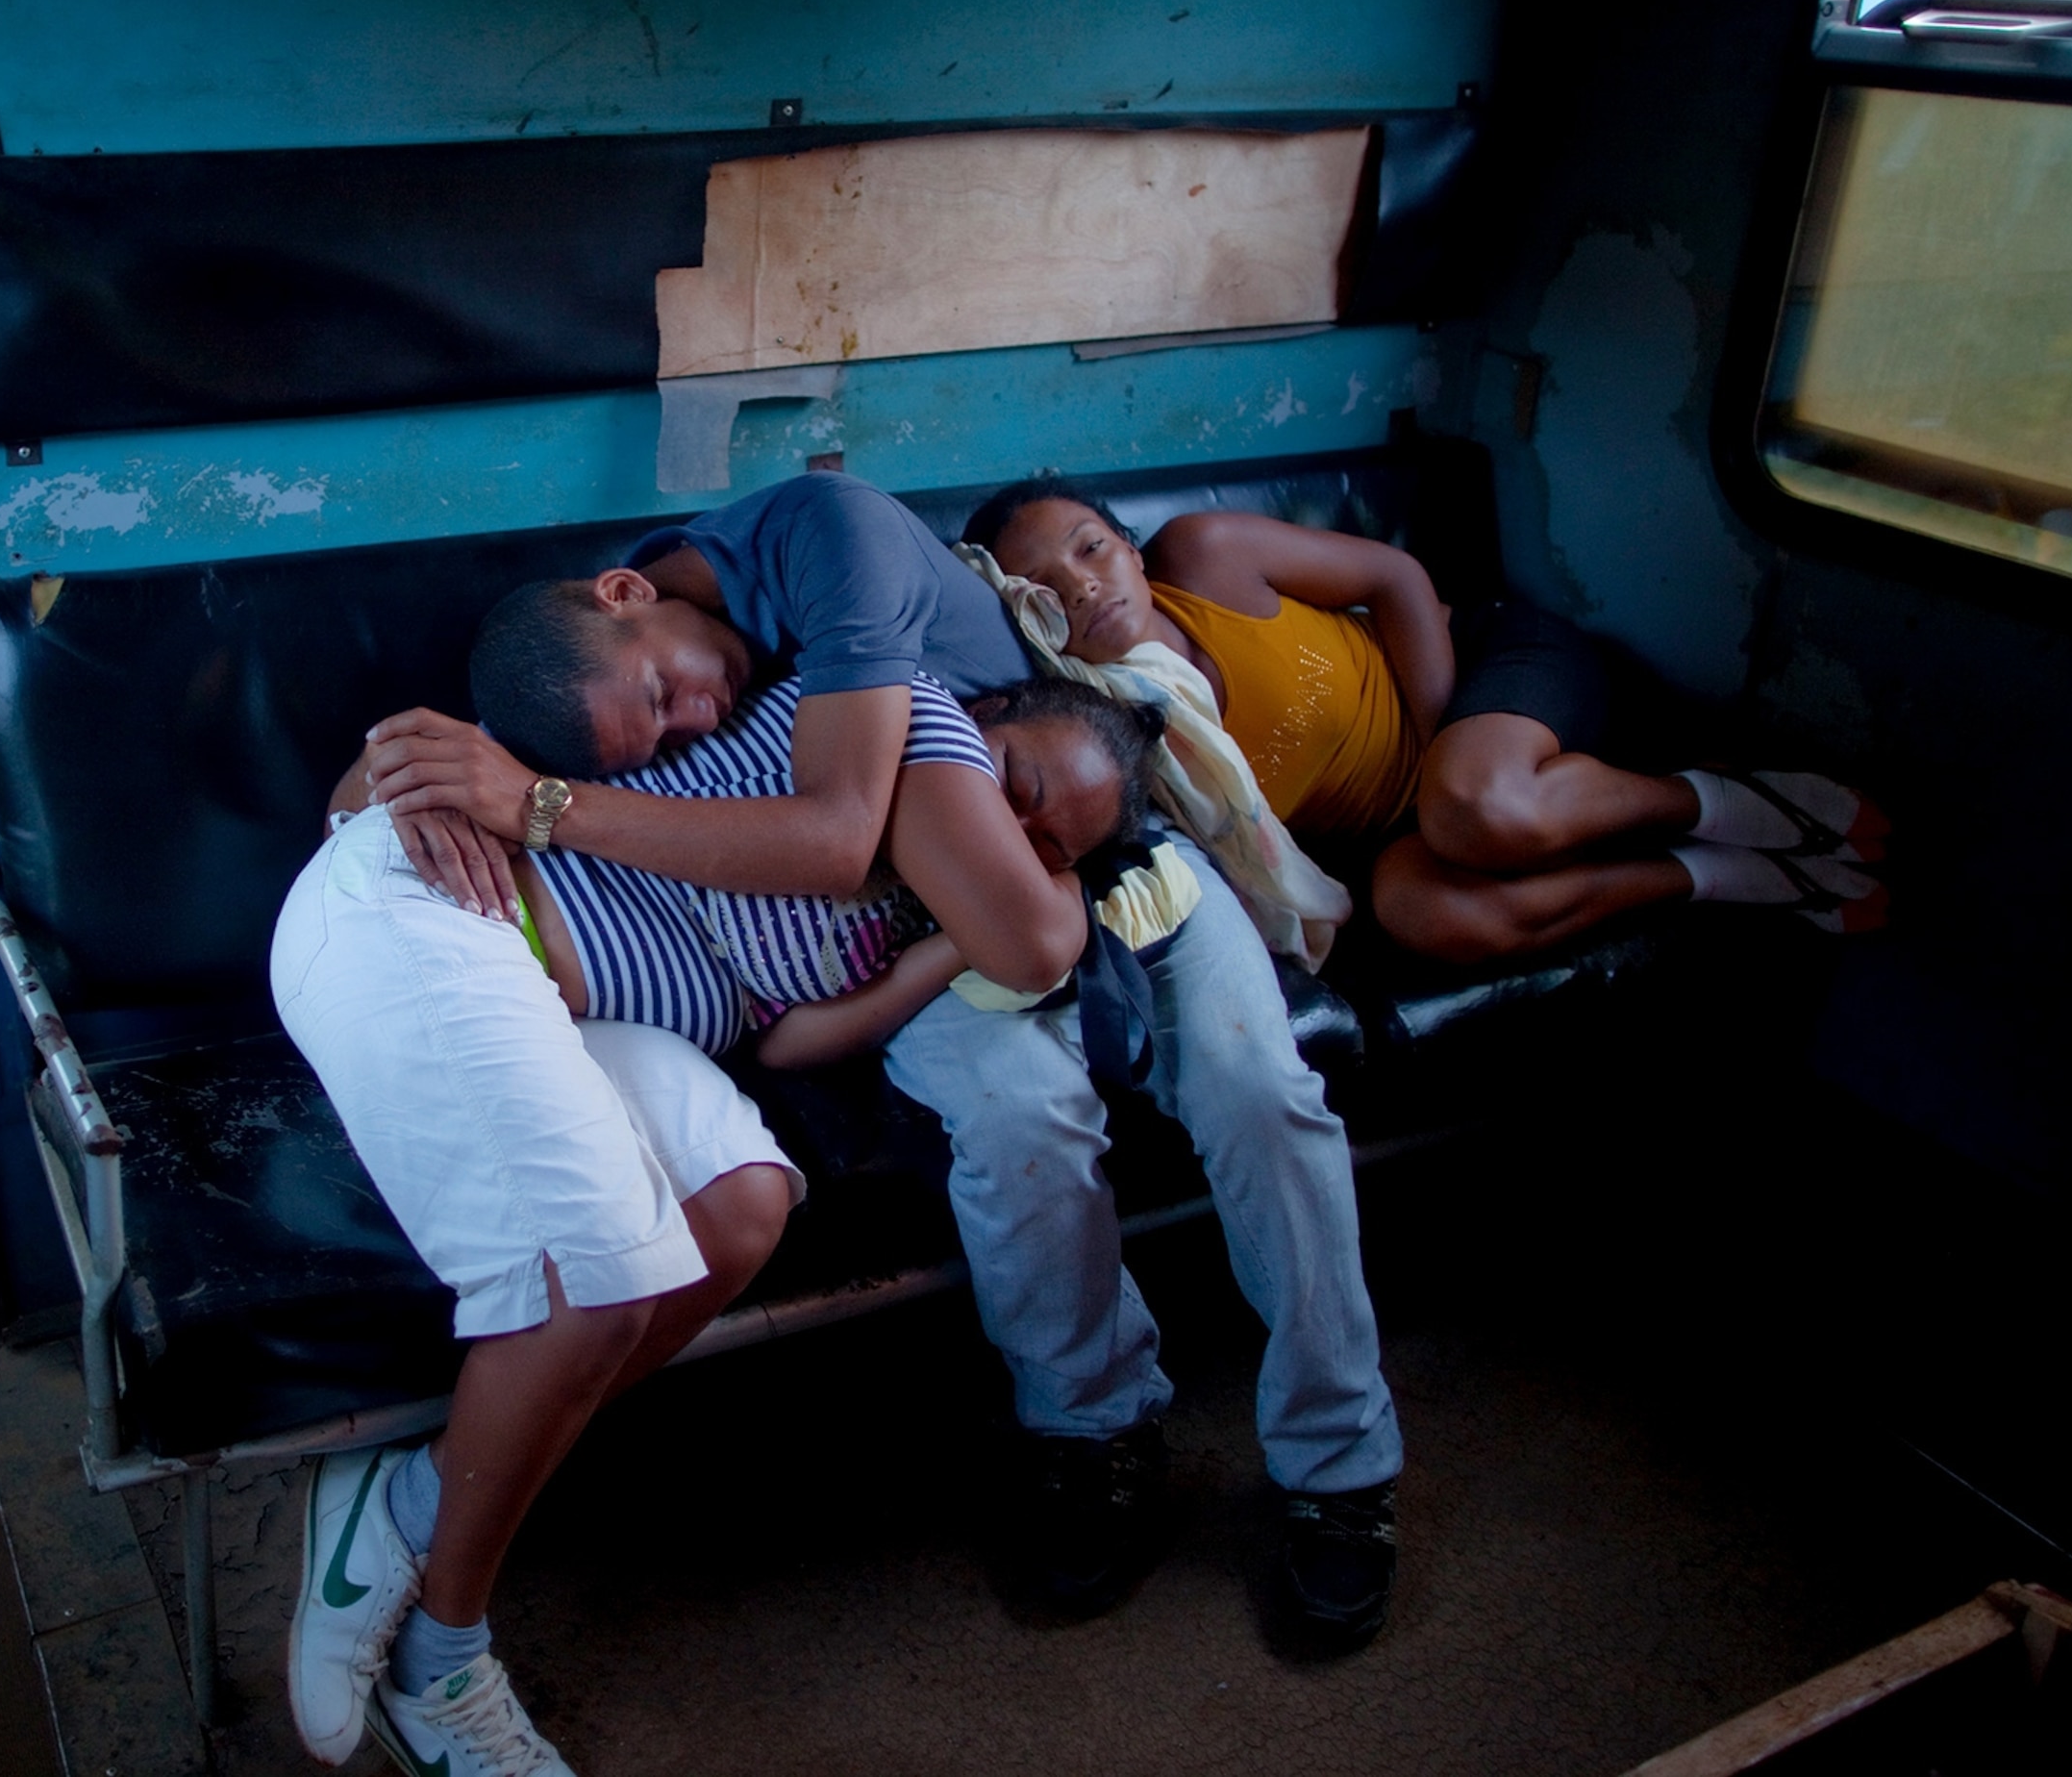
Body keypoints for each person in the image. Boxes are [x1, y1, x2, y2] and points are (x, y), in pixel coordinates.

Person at [361, 470, 1408, 1648]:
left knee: (1259, 1085)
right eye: (658, 729)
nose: (691, 723)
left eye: (670, 698)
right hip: (923, 918)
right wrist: (415, 795)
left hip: (1089, 813)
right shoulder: (612, 692)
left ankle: (1340, 1469)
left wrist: (541, 806)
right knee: (1019, 1117)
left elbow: (836, 831)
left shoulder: (827, 541)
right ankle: (1090, 1434)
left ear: (627, 594)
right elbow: (423, 765)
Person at [278, 665, 1143, 1776]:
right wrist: (375, 802)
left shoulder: (905, 901)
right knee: (597, 1291)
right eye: (1015, 783)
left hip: (563, 1011)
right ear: (978, 722)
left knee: (741, 1207)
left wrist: (944, 944)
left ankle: (401, 1499)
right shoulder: (873, 715)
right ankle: (443, 1661)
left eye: (1046, 845)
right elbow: (448, 739)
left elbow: (786, 1040)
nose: (1010, 832)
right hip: (434, 922)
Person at [963, 479, 1888, 962]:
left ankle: (1726, 798)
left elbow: (1397, 580)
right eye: (1045, 587)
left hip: (1484, 667)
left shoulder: (1203, 556)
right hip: (1409, 828)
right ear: (1029, 618)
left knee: (1476, 805)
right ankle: (1710, 875)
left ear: (1127, 545)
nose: (1082, 583)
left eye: (1092, 548)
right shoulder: (1113, 737)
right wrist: (1438, 807)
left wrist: (1444, 743)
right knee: (1421, 913)